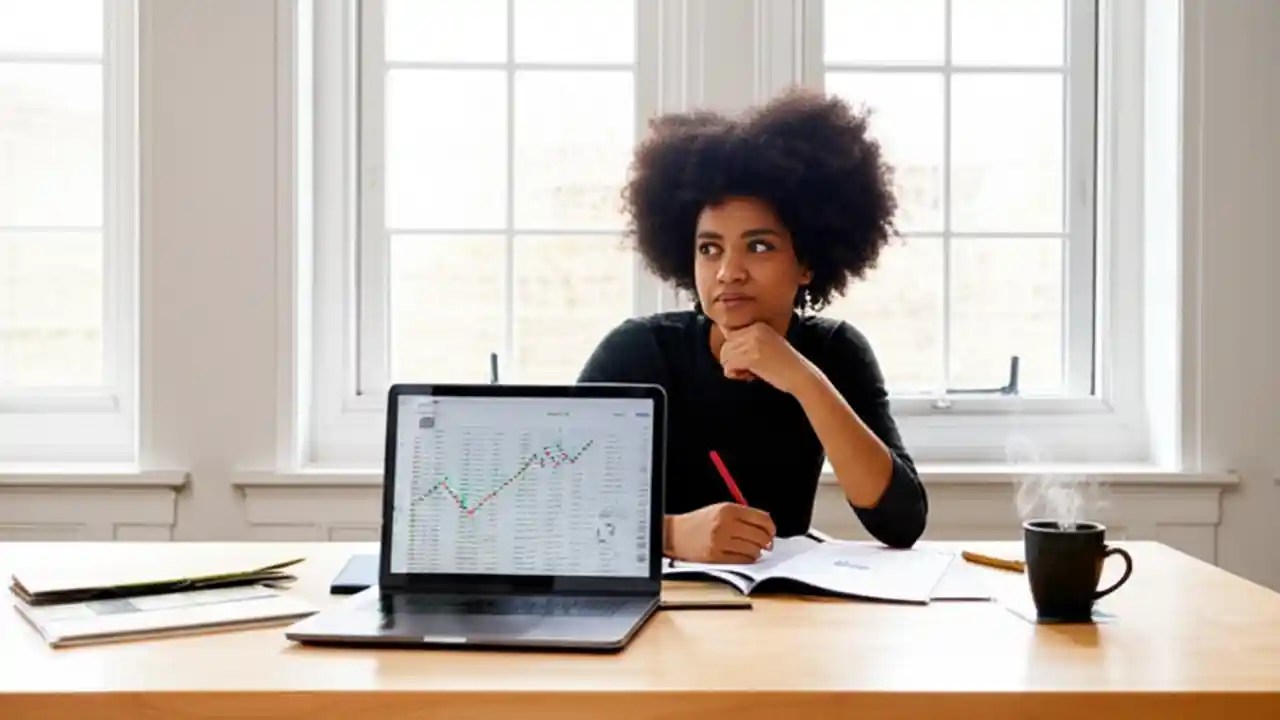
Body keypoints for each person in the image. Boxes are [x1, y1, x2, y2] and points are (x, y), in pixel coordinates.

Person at [577, 88, 928, 563]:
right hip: (663, 612)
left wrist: (803, 380)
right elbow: (554, 508)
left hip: (780, 614)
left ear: (807, 262)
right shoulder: (639, 351)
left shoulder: (835, 351)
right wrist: (671, 534)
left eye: (758, 246)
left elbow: (901, 522)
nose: (728, 272)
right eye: (710, 248)